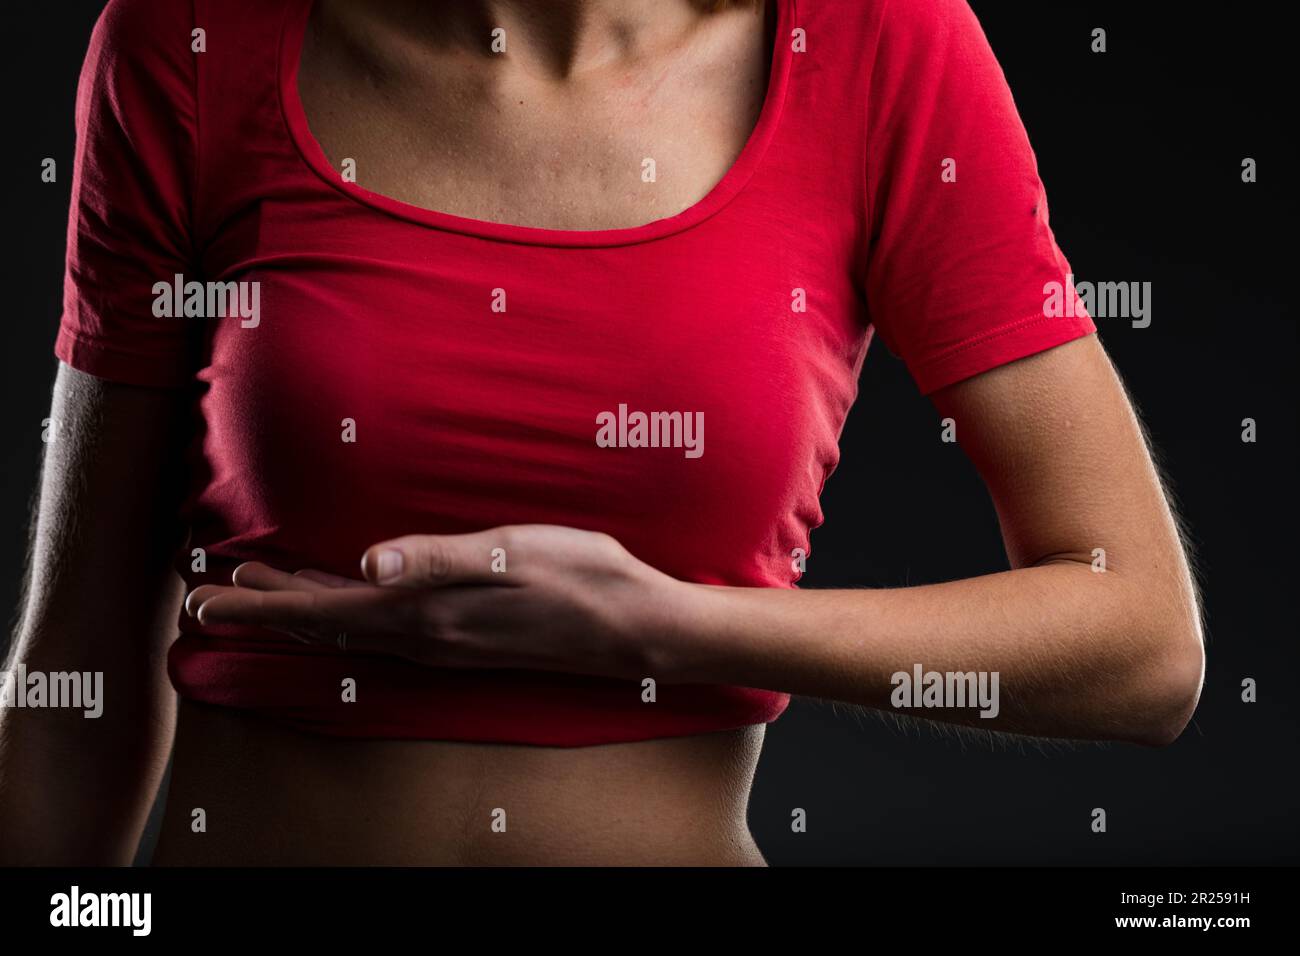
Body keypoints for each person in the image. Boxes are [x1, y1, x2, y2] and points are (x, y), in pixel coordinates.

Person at [0, 0, 1204, 866]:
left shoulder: (881, 42)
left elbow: (1141, 642)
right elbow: (80, 662)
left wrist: (660, 624)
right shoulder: (192, 39)